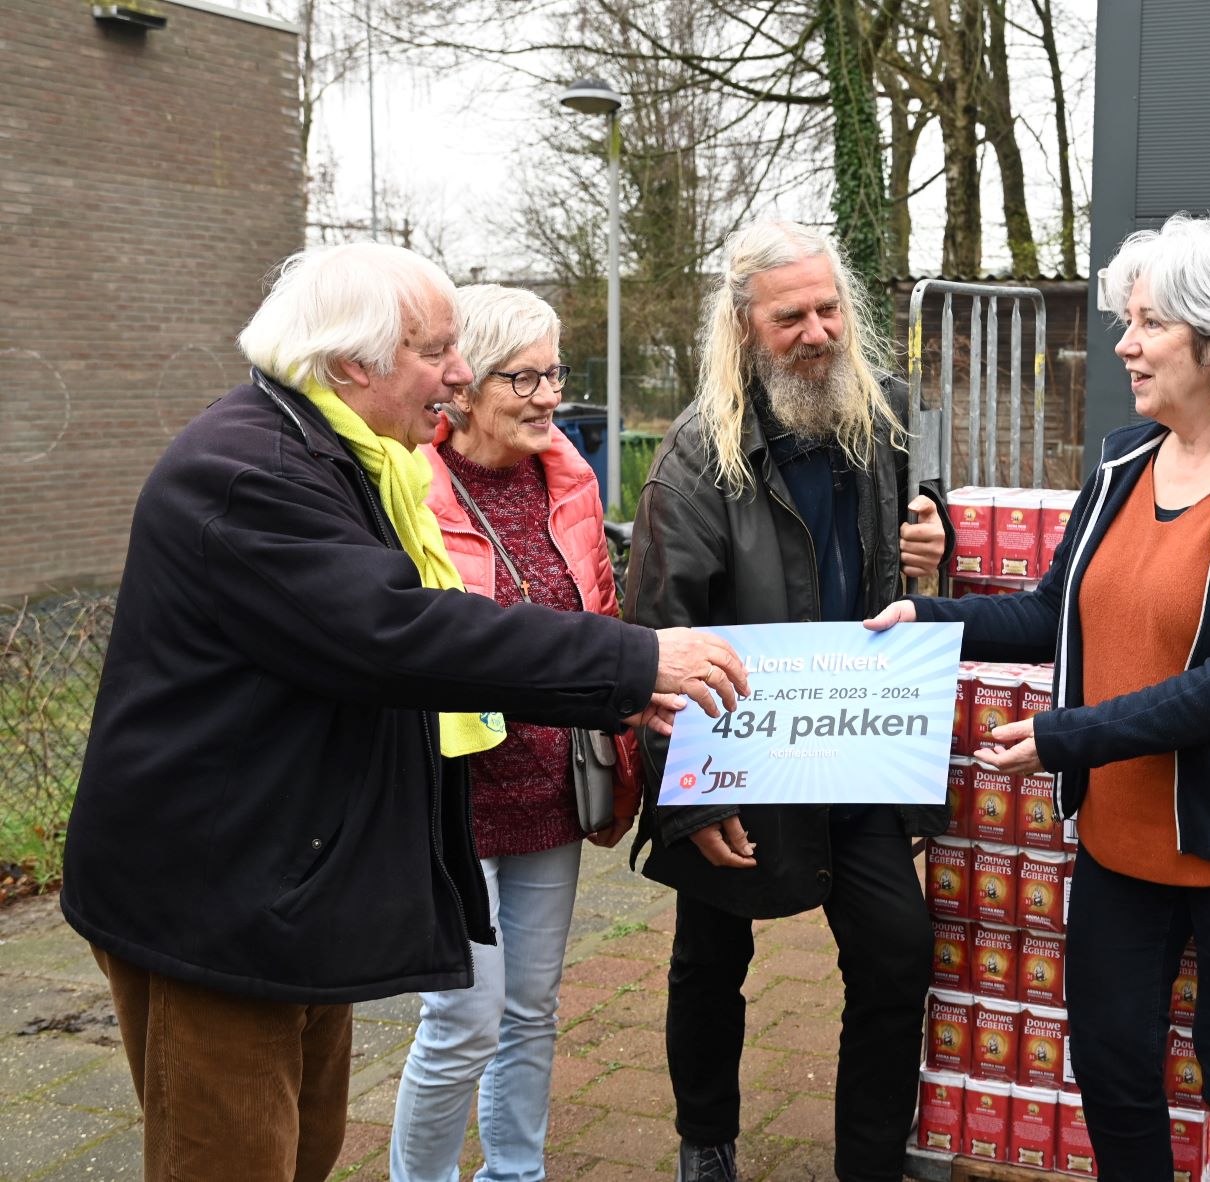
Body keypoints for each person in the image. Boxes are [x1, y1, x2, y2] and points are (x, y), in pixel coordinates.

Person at [58, 242, 749, 1182]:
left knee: (301, 1150)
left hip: (288, 885)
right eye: (435, 351)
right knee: (228, 1158)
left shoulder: (344, 456)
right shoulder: (249, 474)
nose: (459, 375)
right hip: (213, 904)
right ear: (353, 363)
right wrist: (634, 662)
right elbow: (402, 634)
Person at [868, 213, 1210, 1181]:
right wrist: (930, 621)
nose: (1123, 345)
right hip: (1122, 837)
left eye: (1148, 326)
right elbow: (1060, 612)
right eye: (1125, 321)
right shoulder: (1122, 463)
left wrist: (1069, 737)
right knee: (1109, 1059)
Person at [623, 219, 950, 1182]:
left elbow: (926, 563)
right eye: (790, 316)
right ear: (744, 327)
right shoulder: (697, 453)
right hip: (738, 754)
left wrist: (935, 556)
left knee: (896, 957)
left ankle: (871, 1162)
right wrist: (689, 801)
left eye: (828, 308)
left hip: (856, 754)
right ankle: (705, 1142)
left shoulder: (887, 418)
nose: (817, 332)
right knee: (710, 961)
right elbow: (657, 630)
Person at [384, 284, 632, 1181]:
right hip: (453, 797)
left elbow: (597, 612)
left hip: (548, 789)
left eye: (553, 372)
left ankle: (515, 1174)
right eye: (521, 376)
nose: (545, 395)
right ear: (463, 384)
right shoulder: (412, 484)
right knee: (461, 1019)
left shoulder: (567, 478)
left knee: (531, 1007)